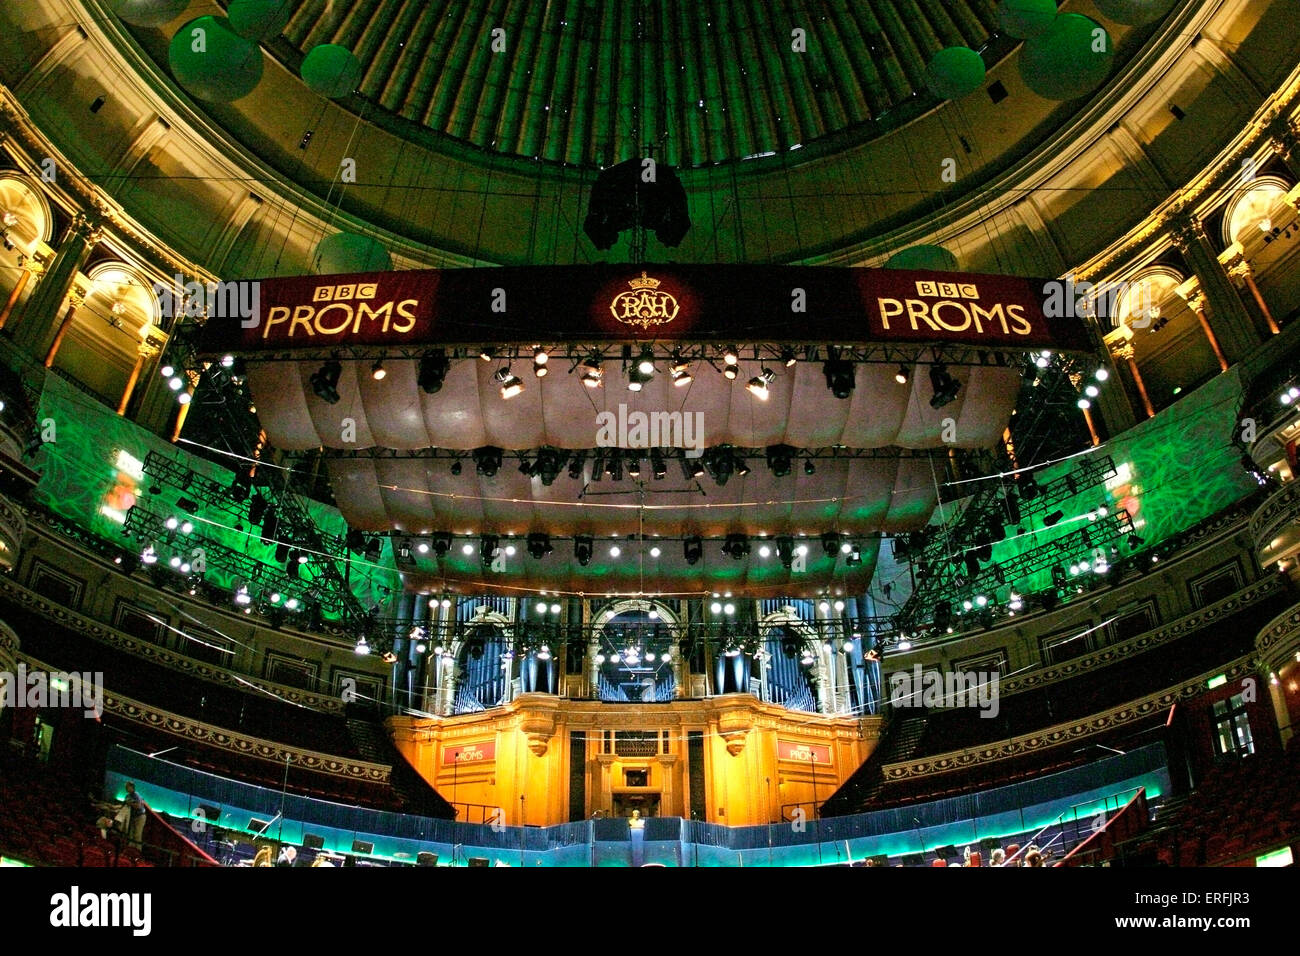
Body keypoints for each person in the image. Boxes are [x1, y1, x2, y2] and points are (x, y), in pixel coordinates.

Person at [122, 782, 146, 849]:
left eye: (127, 786)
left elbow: (138, 806)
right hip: (132, 817)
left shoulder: (136, 795)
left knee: (137, 835)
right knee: (131, 834)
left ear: (132, 787)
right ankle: (130, 850)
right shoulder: (127, 796)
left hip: (140, 816)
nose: (126, 788)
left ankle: (137, 852)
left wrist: (130, 803)